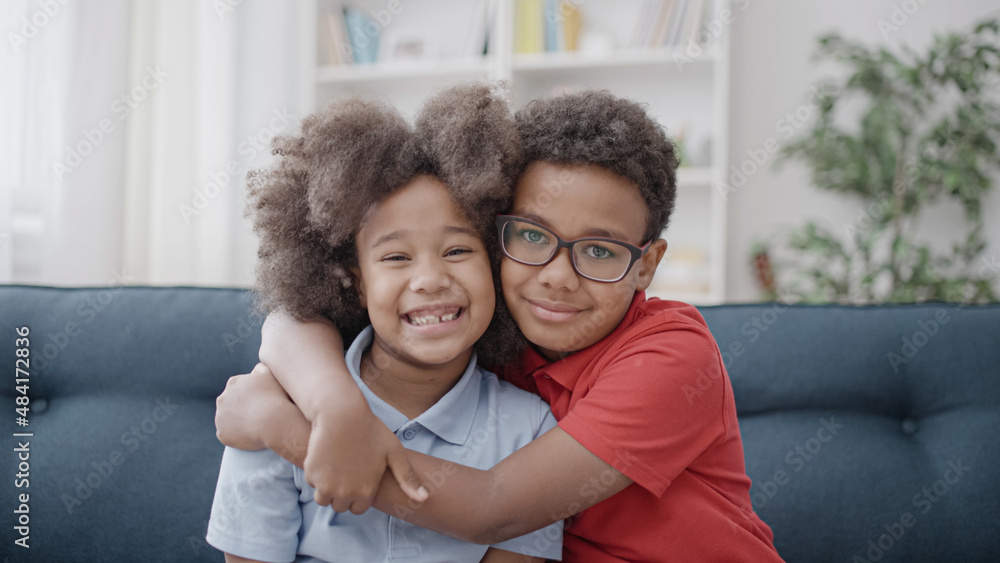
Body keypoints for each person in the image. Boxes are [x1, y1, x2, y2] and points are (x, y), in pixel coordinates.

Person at [217, 87, 784, 562]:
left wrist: (286, 432)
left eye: (601, 251)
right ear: (500, 242)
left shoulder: (672, 356)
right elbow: (295, 321)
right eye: (533, 237)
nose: (558, 278)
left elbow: (493, 507)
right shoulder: (485, 332)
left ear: (648, 265)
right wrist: (329, 405)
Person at [206, 85, 562, 563]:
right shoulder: (275, 406)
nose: (431, 279)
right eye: (395, 256)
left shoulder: (530, 428)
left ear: (495, 265)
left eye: (458, 250)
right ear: (355, 283)